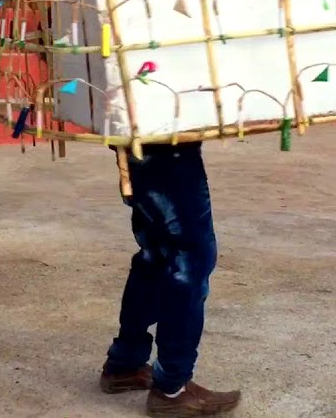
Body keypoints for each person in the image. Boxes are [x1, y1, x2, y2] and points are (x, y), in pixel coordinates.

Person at [98, 141, 241, 417]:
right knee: (190, 260)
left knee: (155, 256)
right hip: (167, 146)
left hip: (139, 142)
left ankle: (125, 364)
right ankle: (172, 389)